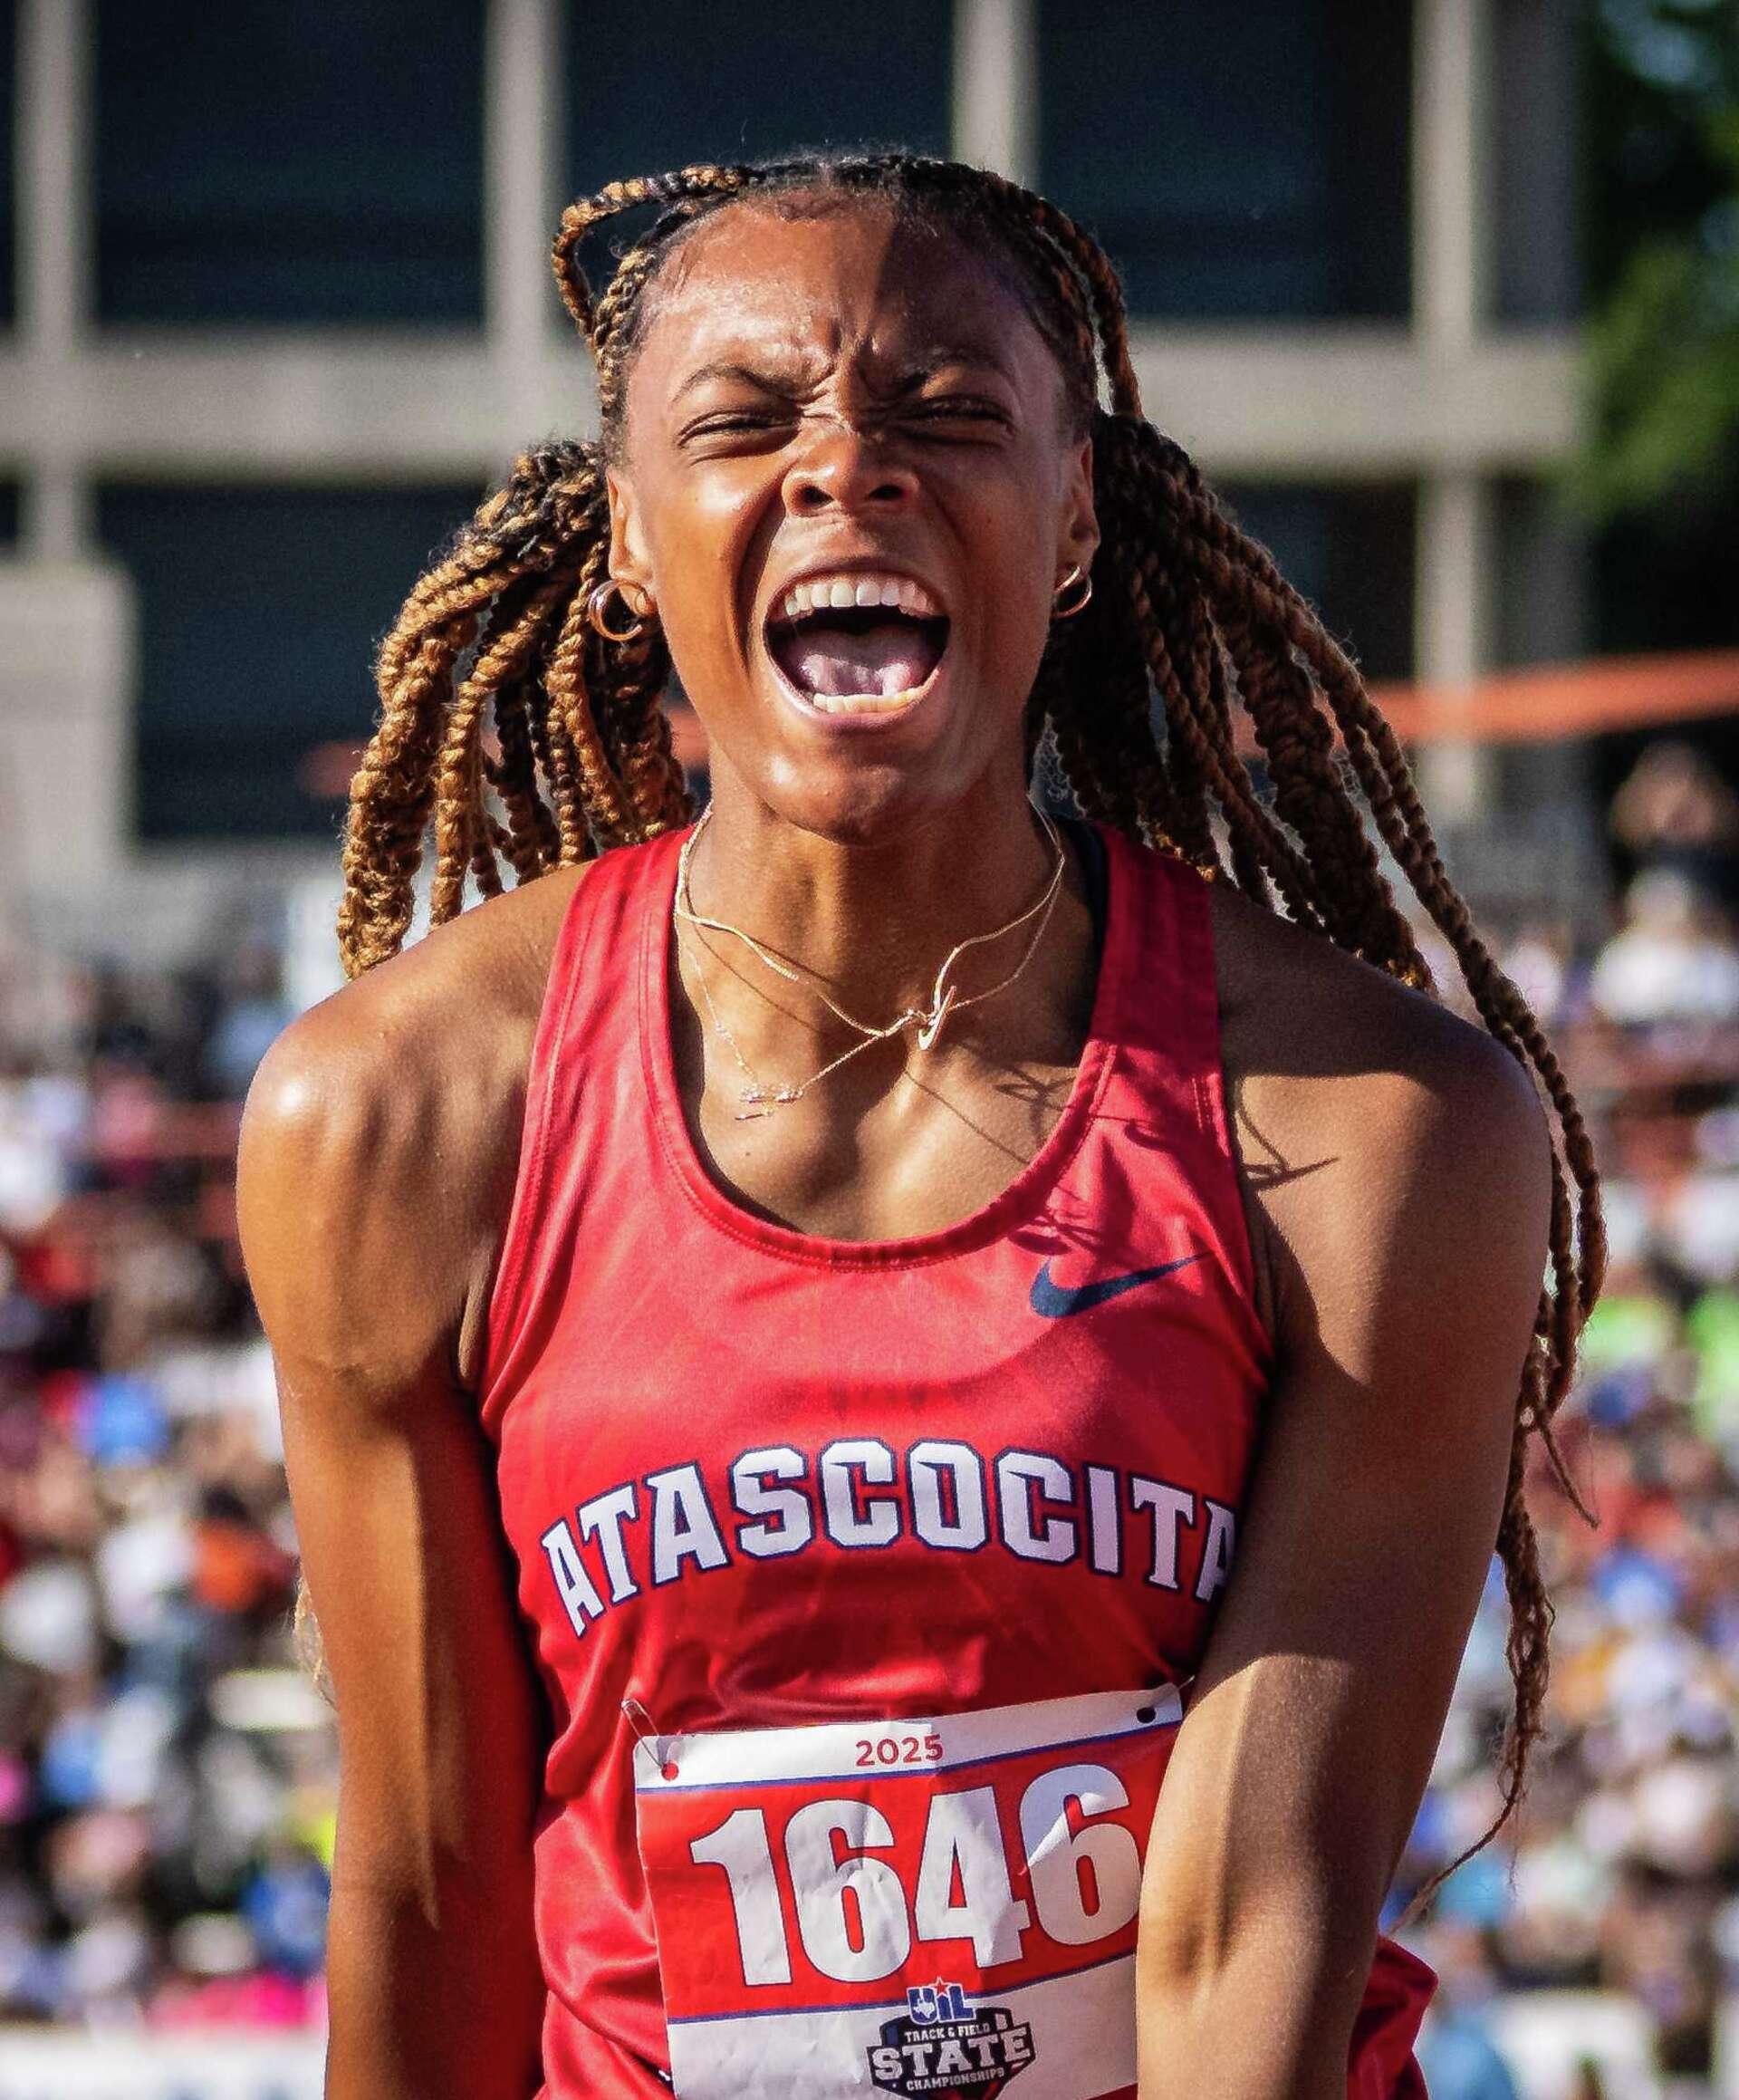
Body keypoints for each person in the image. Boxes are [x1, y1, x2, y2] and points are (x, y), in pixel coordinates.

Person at [236, 153, 1605, 2100]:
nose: (847, 470)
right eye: (743, 422)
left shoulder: (1374, 1128)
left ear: (1072, 521)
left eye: (949, 413)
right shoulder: (396, 1115)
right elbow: (433, 1881)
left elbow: (1256, 1914)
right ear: (629, 537)